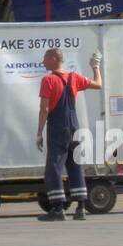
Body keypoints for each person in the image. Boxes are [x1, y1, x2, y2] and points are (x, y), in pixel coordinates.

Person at [35, 49, 102, 222]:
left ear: (53, 59)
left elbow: (44, 109)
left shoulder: (48, 80)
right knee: (74, 166)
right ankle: (80, 208)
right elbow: (98, 84)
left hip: (57, 128)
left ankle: (58, 209)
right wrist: (95, 66)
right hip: (74, 127)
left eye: (45, 59)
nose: (43, 63)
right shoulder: (75, 78)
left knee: (54, 168)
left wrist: (39, 132)